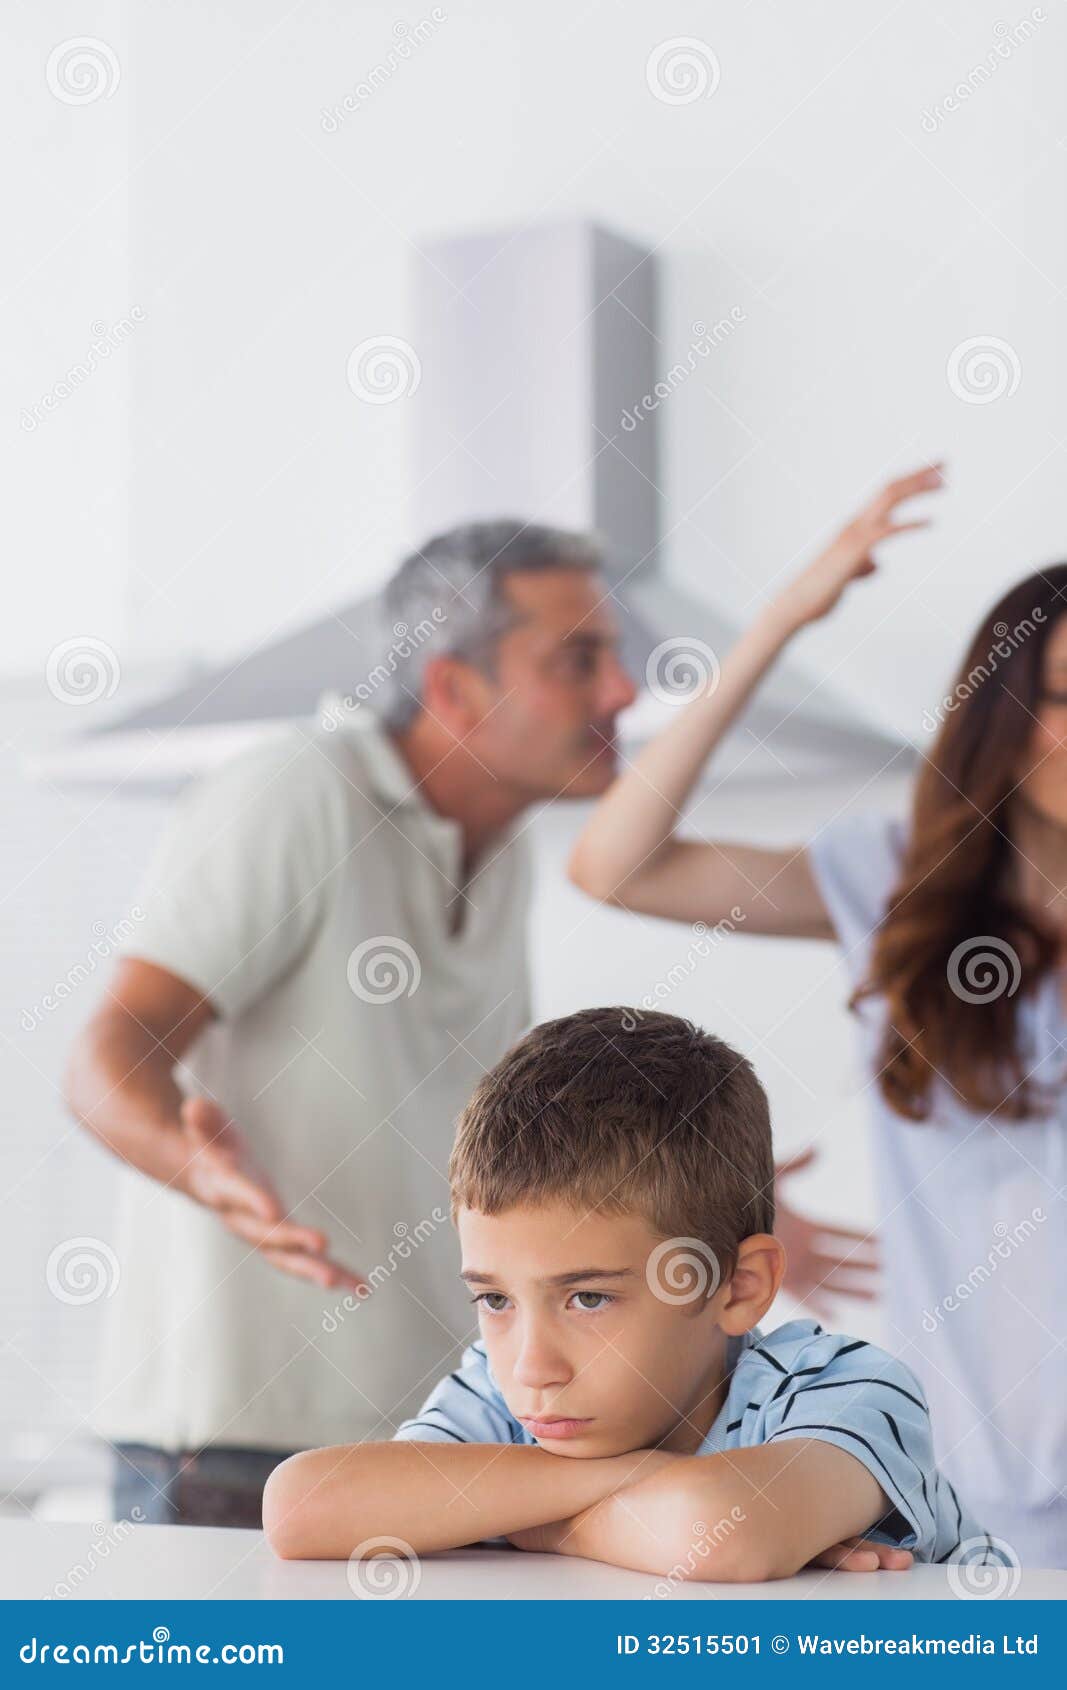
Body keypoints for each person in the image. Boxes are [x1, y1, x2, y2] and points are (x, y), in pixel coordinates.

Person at [64, 519, 637, 1526]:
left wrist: (697, 1200)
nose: (624, 692)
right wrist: (195, 1163)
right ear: (454, 690)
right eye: (578, 660)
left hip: (420, 1440)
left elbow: (503, 1137)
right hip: (237, 1451)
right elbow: (107, 1053)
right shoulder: (300, 790)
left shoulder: (499, 847)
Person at [567, 466, 1067, 1567]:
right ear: (1005, 721)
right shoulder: (890, 880)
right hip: (951, 1480)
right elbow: (615, 863)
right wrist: (779, 622)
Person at [263, 1008, 993, 1580]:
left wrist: (503, 1519)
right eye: (495, 1302)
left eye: (586, 1300)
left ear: (738, 1288)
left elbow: (720, 1534)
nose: (530, 1366)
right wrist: (645, 1482)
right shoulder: (498, 1395)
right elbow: (302, 1507)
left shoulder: (845, 1389)